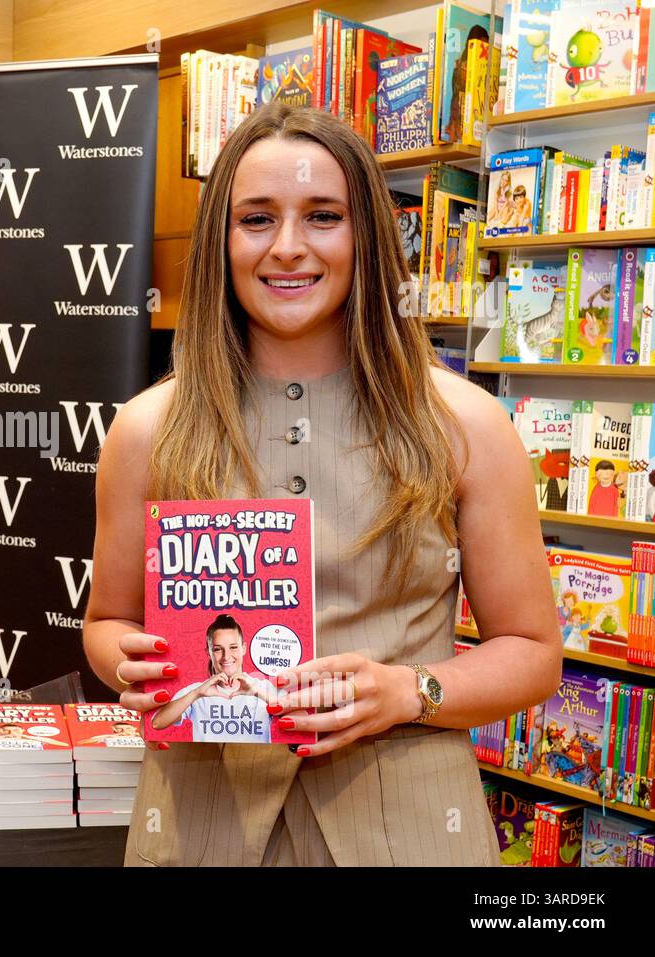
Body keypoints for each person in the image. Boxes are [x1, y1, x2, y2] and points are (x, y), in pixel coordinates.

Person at [83, 102, 561, 866]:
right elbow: (105, 621)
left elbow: (533, 650)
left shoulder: (467, 424)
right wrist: (130, 664)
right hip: (202, 824)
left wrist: (410, 691)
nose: (289, 248)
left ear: (364, 232)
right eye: (257, 219)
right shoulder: (146, 429)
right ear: (221, 241)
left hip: (406, 826)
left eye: (324, 216)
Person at [149, 614, 278, 743]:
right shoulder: (197, 691)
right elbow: (157, 723)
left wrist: (257, 692)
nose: (226, 656)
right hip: (206, 761)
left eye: (233, 647)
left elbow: (290, 719)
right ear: (208, 652)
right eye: (217, 649)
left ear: (243, 648)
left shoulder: (263, 687)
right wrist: (196, 694)